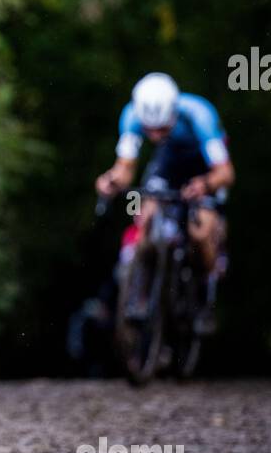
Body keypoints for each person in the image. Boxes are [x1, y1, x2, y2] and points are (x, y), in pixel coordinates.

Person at [94, 73, 234, 333]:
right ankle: (141, 293)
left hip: (205, 167)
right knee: (145, 215)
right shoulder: (132, 116)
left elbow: (226, 173)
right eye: (150, 130)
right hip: (168, 164)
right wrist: (111, 181)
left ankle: (205, 297)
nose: (155, 135)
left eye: (163, 129)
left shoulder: (199, 115)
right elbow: (124, 170)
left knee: (201, 232)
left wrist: (204, 185)